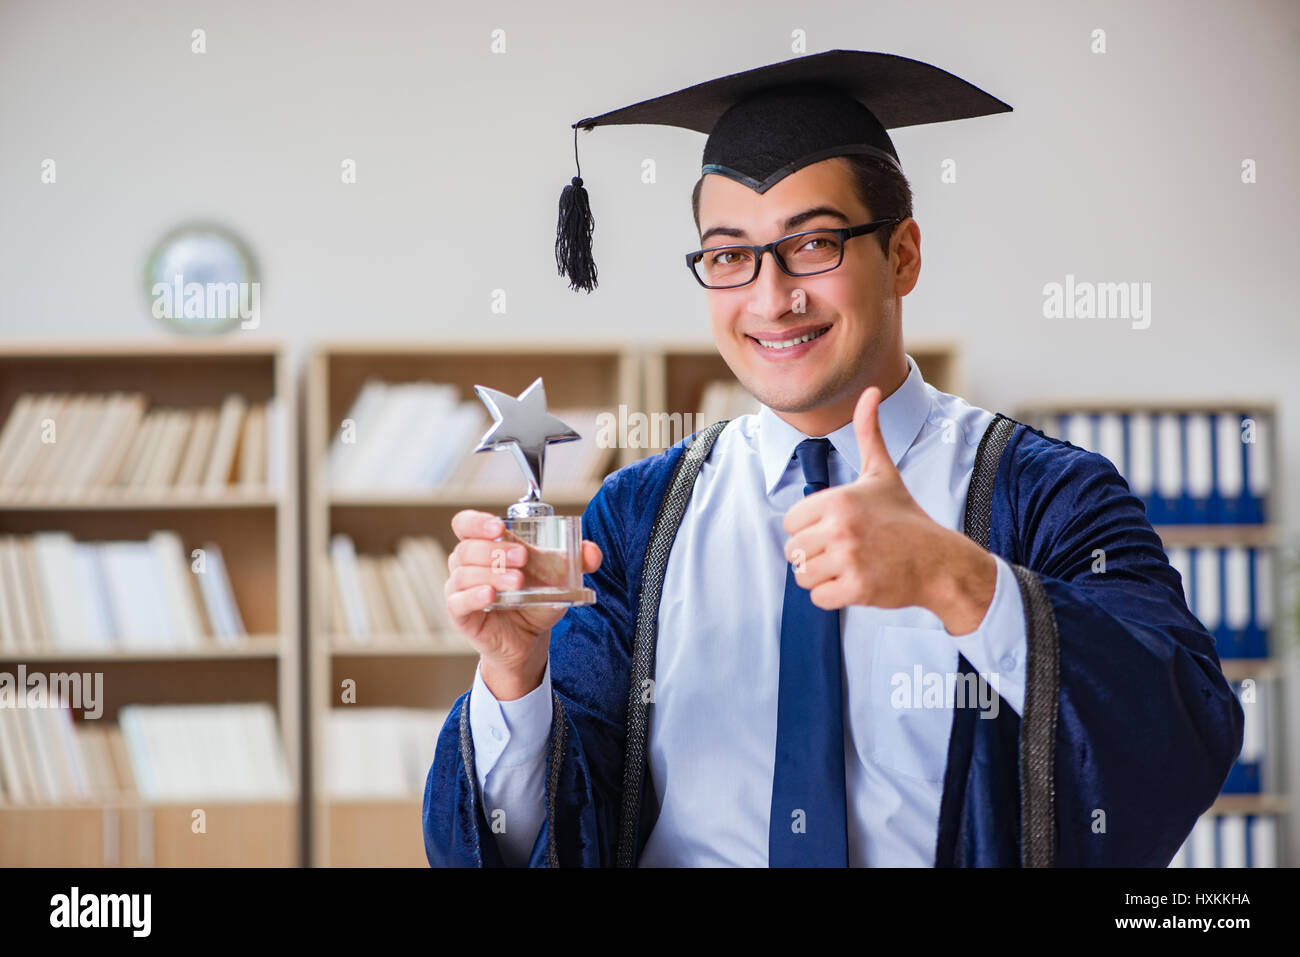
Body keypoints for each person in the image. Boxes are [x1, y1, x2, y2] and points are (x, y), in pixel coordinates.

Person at [422, 50, 1244, 867]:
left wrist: (960, 582)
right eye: (729, 255)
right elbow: (543, 845)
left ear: (903, 255)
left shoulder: (1048, 493)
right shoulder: (637, 518)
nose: (772, 297)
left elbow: (1182, 733)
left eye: (813, 243)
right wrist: (515, 678)